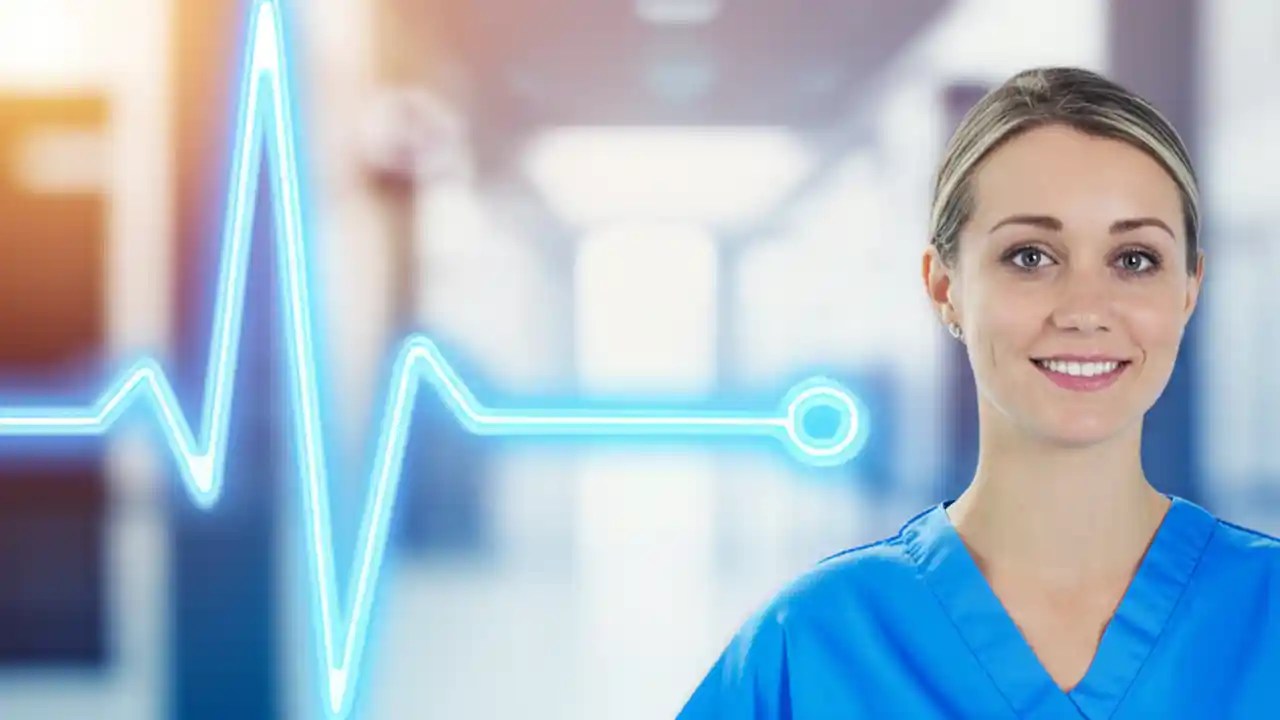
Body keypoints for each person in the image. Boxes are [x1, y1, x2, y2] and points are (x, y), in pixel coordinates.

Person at [677, 66, 1280, 719]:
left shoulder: (1265, 617)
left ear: (1188, 289)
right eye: (1030, 256)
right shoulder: (811, 648)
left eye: (1133, 259)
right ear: (944, 286)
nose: (1085, 309)